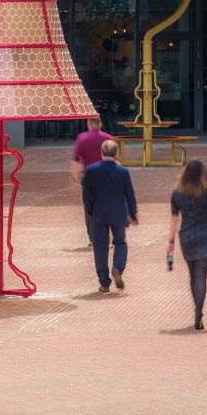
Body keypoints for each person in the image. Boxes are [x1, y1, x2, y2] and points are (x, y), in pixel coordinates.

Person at [167, 160, 207, 330]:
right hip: (205, 234)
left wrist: (170, 242)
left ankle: (197, 310)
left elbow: (174, 219)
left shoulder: (177, 193)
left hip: (187, 235)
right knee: (201, 276)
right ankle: (199, 311)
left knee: (192, 275)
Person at [82, 140, 138, 293]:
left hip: (99, 213)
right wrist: (133, 214)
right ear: (117, 154)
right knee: (120, 242)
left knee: (100, 246)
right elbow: (130, 194)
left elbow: (87, 195)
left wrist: (90, 211)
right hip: (119, 213)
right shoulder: (123, 171)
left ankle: (104, 283)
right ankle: (118, 268)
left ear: (101, 153)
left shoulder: (91, 170)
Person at [70, 117, 113, 246]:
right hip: (106, 177)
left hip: (88, 178)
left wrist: (73, 178)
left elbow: (76, 159)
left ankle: (93, 238)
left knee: (89, 208)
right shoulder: (108, 138)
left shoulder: (82, 138)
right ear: (101, 124)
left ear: (88, 124)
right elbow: (115, 159)